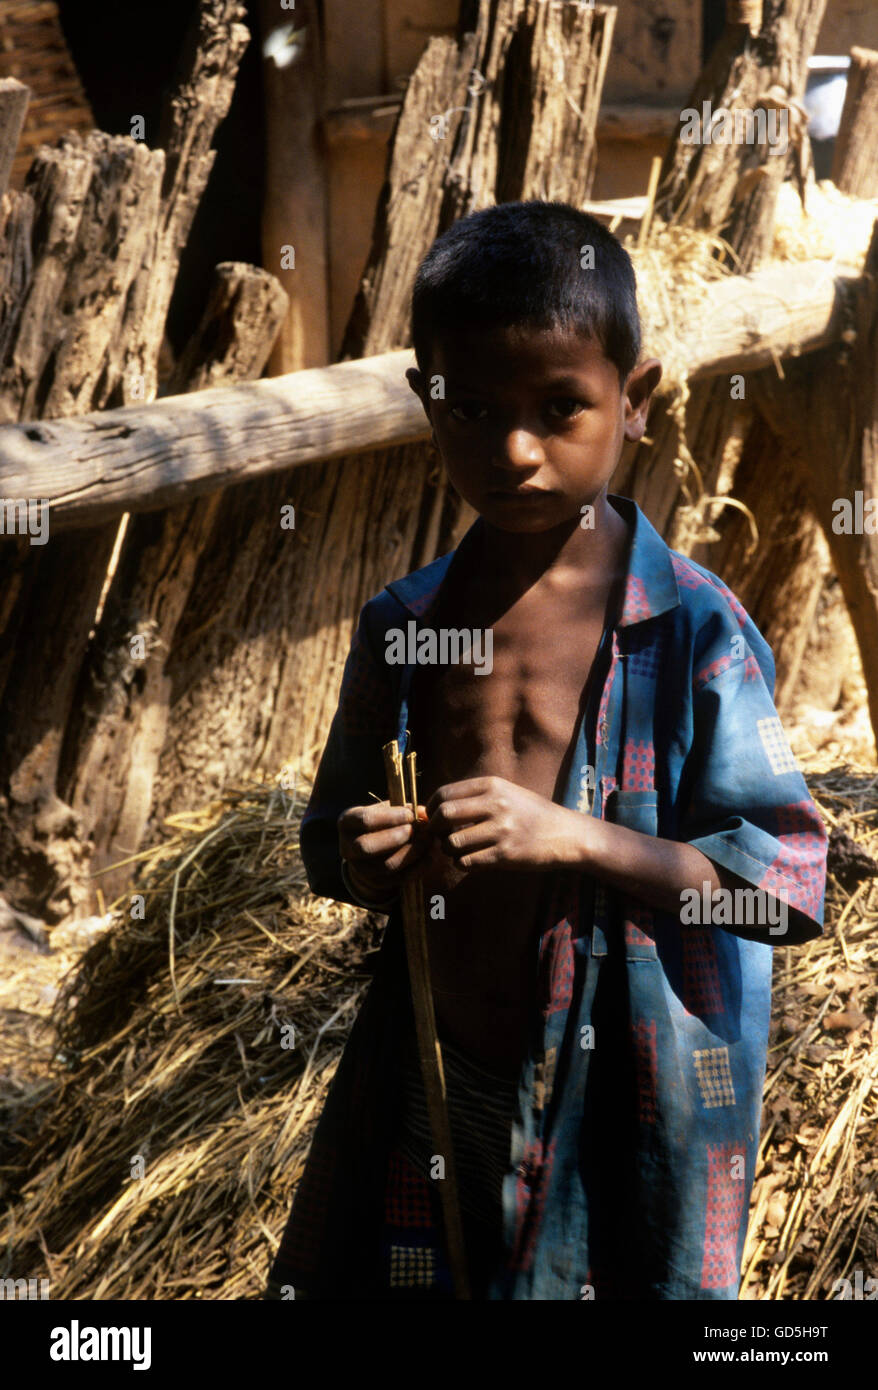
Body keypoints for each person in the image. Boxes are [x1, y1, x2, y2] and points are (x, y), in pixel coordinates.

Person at [265, 200, 827, 1301]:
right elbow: (324, 843)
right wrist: (364, 857)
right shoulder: (406, 626)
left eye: (559, 407)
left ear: (638, 403)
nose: (510, 450)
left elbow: (785, 893)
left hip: (626, 1102)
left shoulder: (694, 629)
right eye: (470, 409)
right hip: (441, 1073)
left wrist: (576, 838)